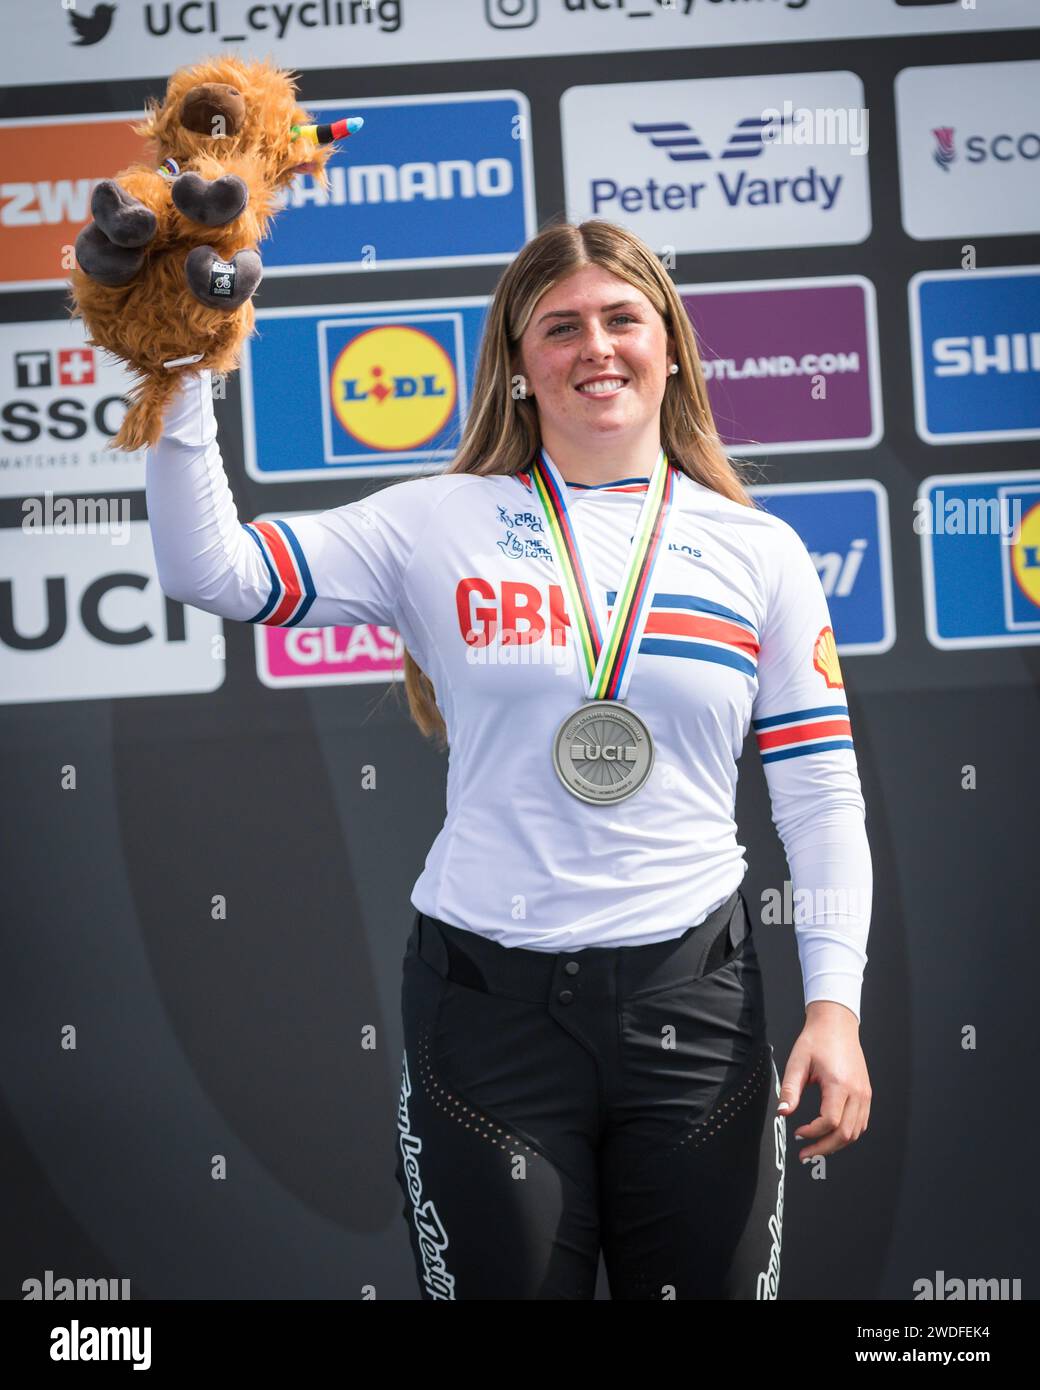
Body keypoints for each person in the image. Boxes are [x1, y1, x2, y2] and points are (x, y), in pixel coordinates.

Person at [146, 217, 873, 1300]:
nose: (596, 347)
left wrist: (833, 1008)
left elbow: (816, 797)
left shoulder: (755, 550)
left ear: (668, 346)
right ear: (518, 367)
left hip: (694, 1013)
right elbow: (209, 568)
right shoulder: (435, 522)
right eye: (559, 327)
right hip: (489, 1015)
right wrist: (178, 358)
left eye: (623, 318)